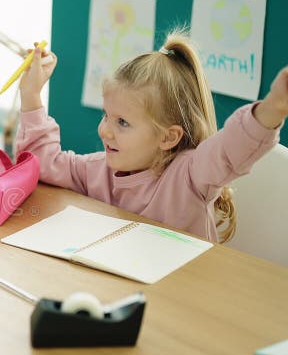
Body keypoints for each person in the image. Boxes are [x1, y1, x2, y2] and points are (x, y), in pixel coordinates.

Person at [15, 30, 286, 242]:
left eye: (122, 122)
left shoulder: (191, 176)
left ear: (168, 138)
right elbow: (41, 162)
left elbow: (230, 149)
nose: (104, 130)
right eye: (105, 115)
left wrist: (272, 108)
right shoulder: (96, 170)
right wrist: (31, 94)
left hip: (185, 296)